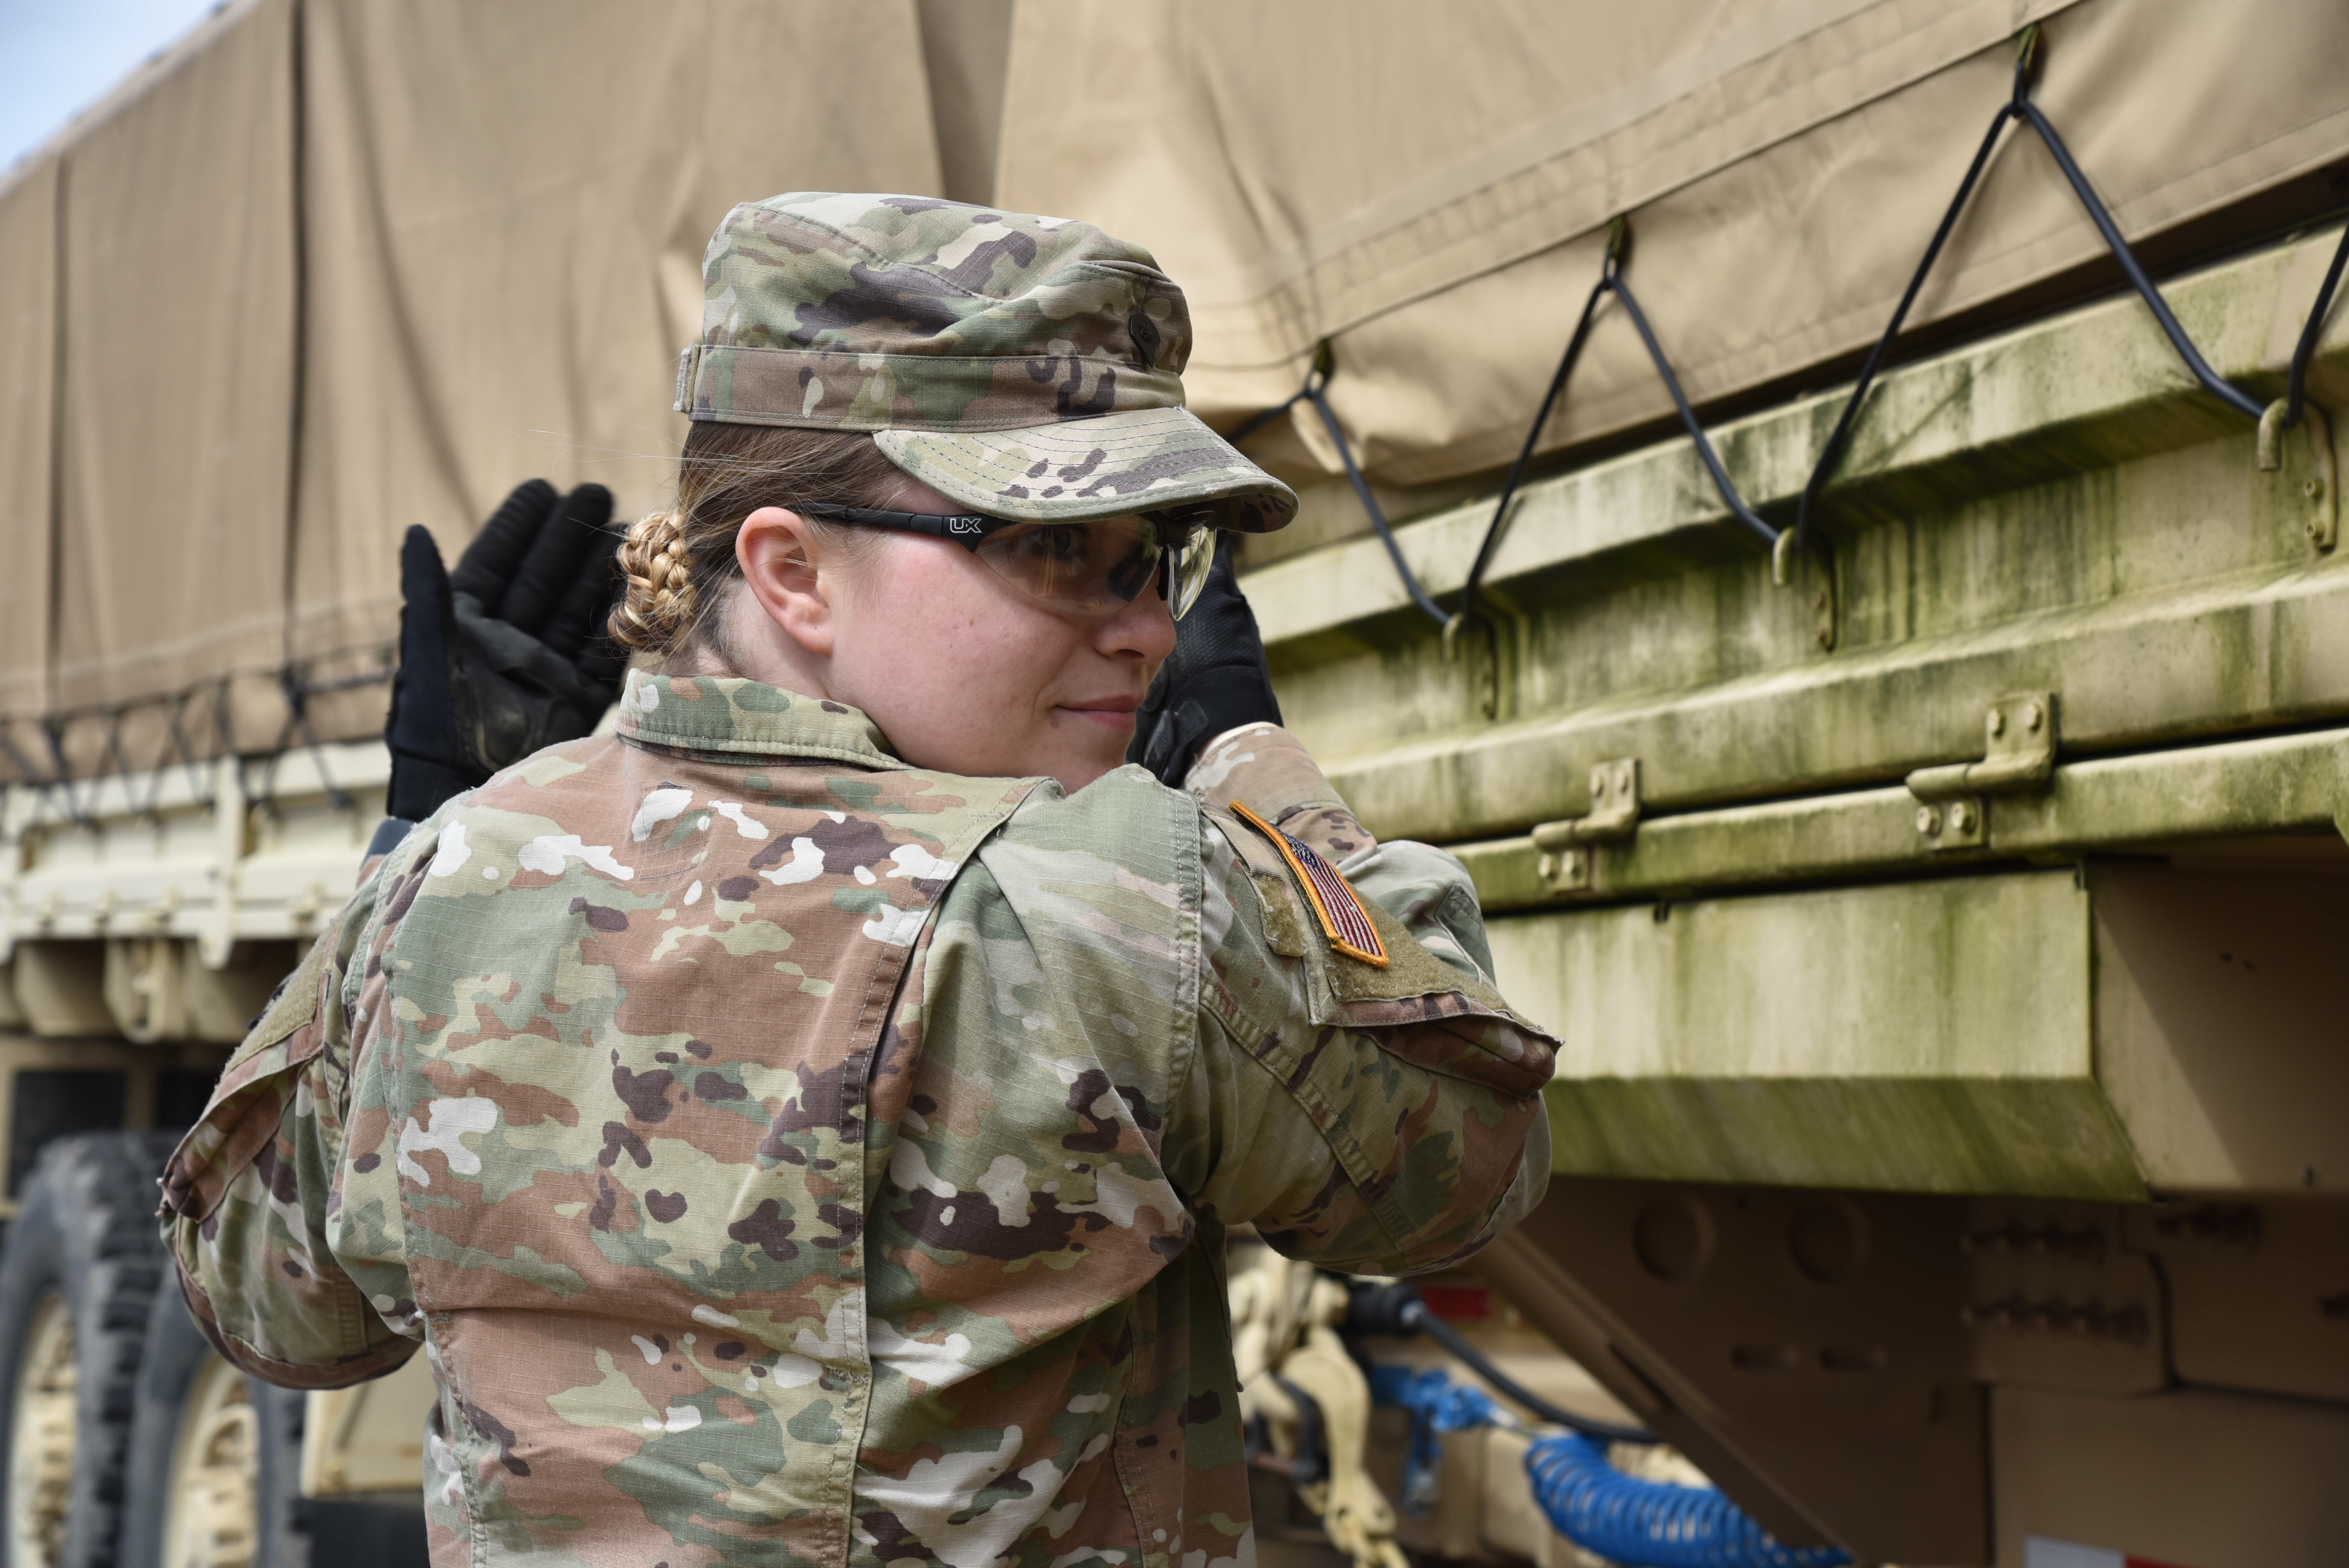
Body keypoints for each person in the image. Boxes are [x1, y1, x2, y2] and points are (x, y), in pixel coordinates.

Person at [160, 193, 1556, 1568]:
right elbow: (1465, 1166)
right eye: (1056, 547)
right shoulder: (1122, 901)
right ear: (793, 573)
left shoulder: (454, 887)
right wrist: (1254, 766)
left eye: (1155, 563)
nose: (1145, 630)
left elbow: (274, 1309)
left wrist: (418, 839)